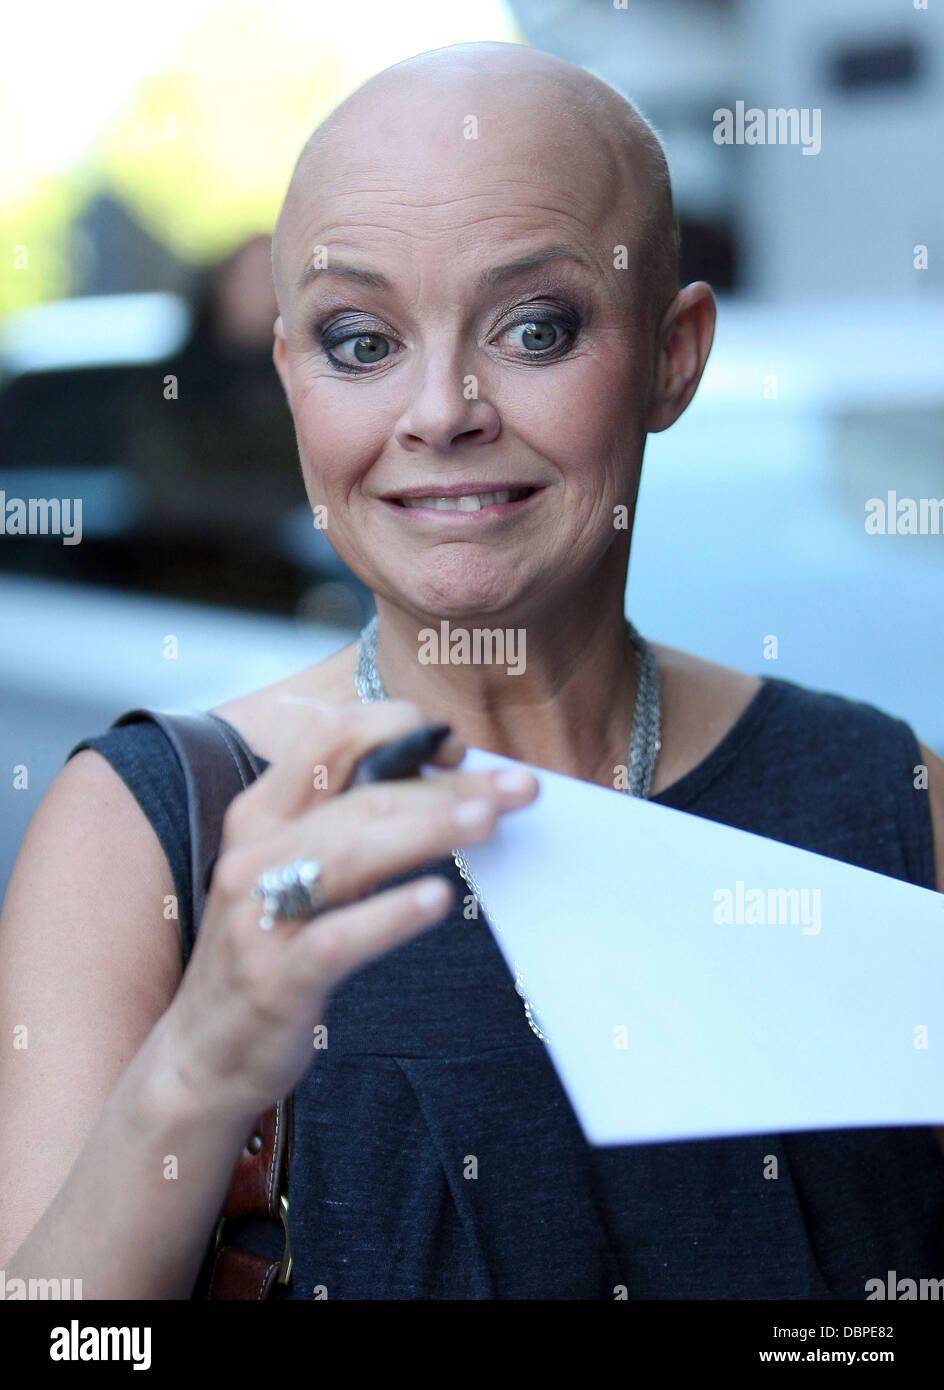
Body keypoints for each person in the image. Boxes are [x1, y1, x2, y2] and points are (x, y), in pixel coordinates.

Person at [1, 40, 942, 1301]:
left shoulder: (889, 801)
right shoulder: (150, 835)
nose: (440, 409)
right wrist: (200, 1068)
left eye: (534, 327)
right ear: (289, 377)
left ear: (673, 355)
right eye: (358, 339)